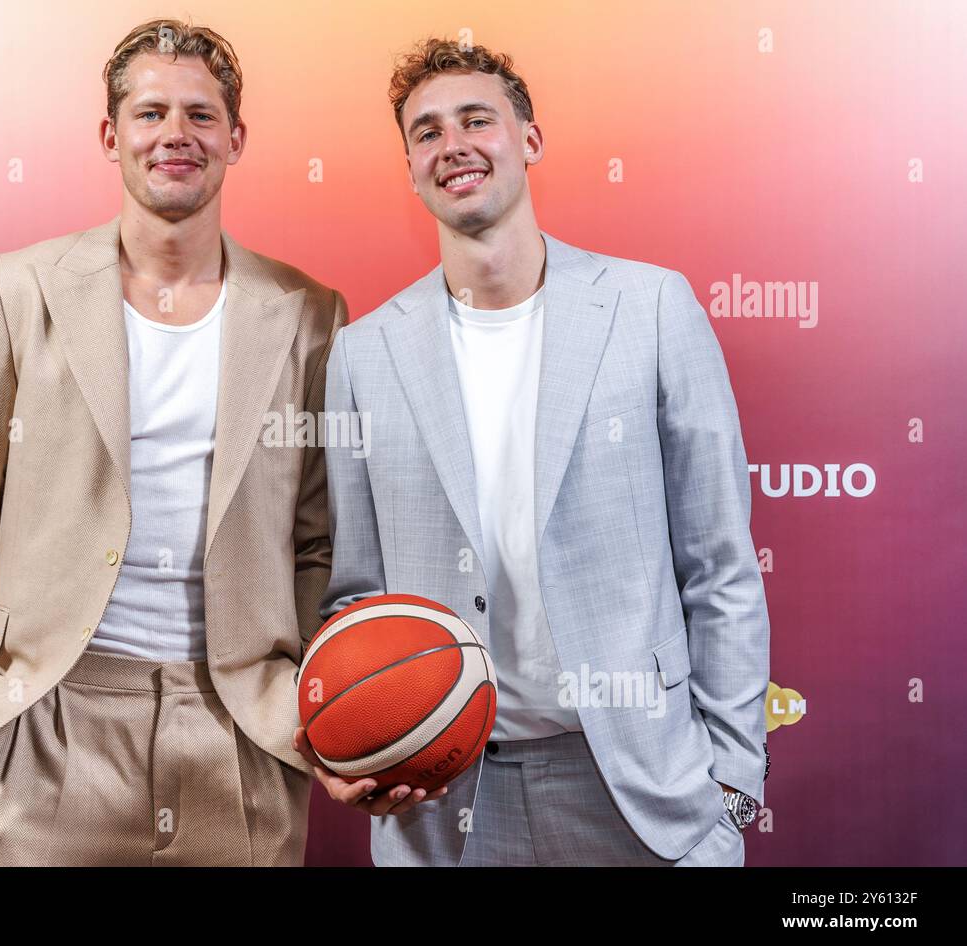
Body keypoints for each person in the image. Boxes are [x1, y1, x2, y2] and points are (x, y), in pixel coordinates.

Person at [295, 37, 768, 866]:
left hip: (641, 787)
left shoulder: (651, 308)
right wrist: (366, 738)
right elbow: (358, 592)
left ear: (530, 140)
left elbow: (720, 566)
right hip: (445, 798)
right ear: (410, 167)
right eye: (428, 132)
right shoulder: (365, 355)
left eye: (478, 120)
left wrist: (730, 782)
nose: (455, 146)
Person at [0, 18, 347, 865]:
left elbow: (319, 539)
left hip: (241, 739)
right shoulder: (18, 287)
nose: (175, 136)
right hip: (42, 730)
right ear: (112, 137)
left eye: (199, 115)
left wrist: (295, 710)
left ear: (236, 138)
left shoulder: (308, 312)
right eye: (150, 114)